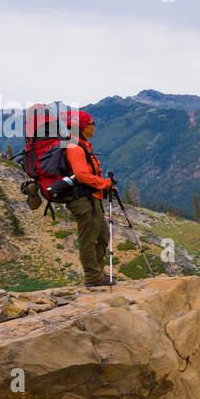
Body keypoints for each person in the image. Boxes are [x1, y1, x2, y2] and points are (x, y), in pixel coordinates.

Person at [61, 110, 115, 286]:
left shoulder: (81, 145)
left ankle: (99, 273)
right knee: (90, 238)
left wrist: (104, 185)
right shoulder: (74, 147)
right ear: (83, 126)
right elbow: (82, 176)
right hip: (83, 199)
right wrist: (104, 183)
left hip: (92, 198)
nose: (94, 126)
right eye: (92, 123)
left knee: (101, 236)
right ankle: (93, 277)